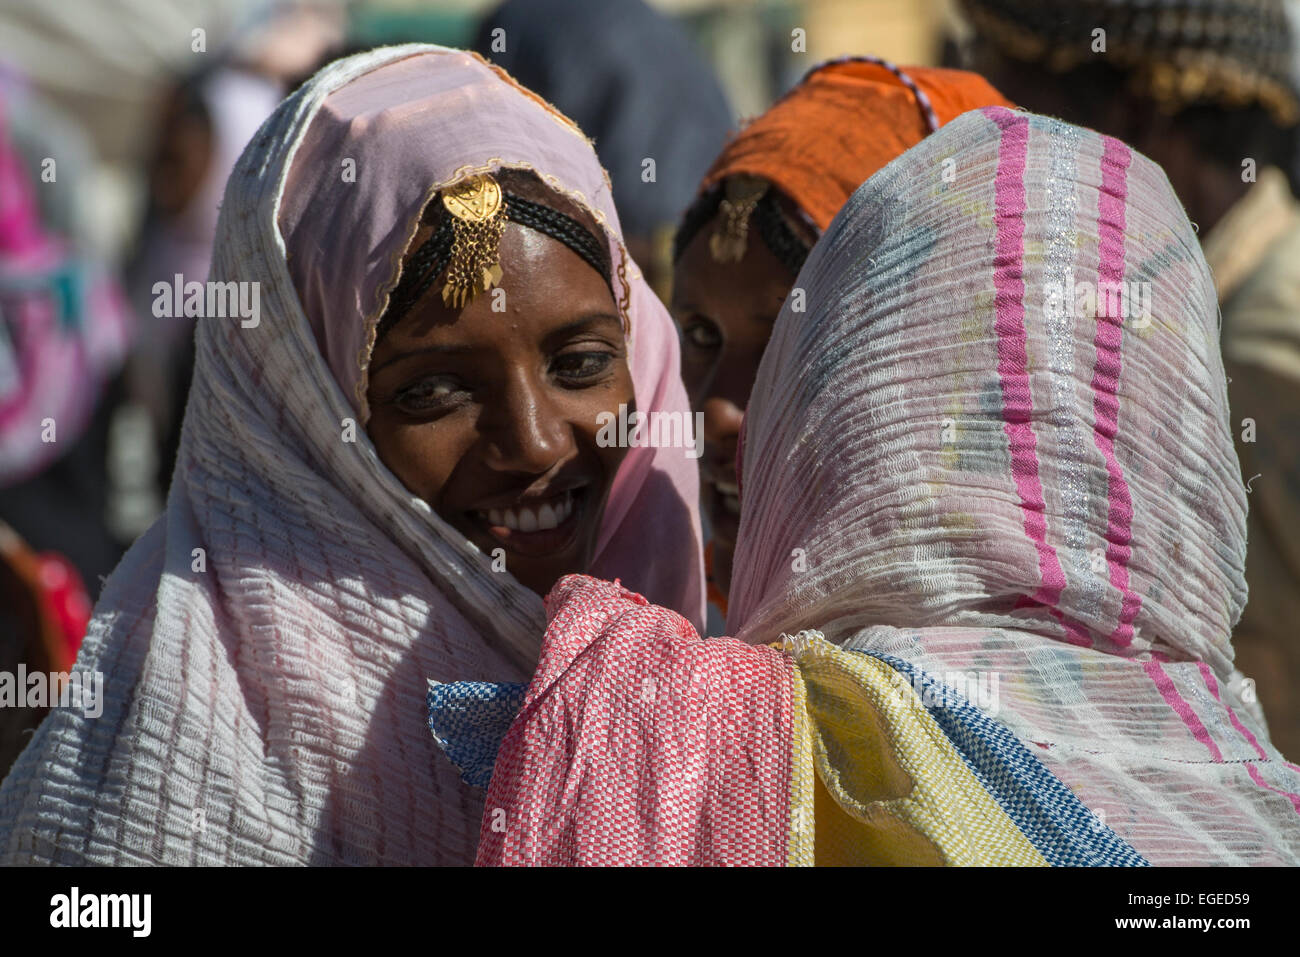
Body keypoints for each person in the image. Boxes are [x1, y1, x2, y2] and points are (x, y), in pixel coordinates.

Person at [432, 107, 1300, 866]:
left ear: (879, 380)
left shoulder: (709, 741)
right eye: (696, 335)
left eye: (786, 349)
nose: (729, 410)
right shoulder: (1254, 795)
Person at [0, 45, 703, 865]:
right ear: (303, 414)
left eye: (580, 365)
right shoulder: (176, 766)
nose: (537, 441)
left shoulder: (714, 690)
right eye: (435, 392)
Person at [959, 0, 1300, 760]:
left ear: (1134, 112)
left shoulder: (1270, 343)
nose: (1003, 152)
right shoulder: (1167, 324)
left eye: (1023, 114)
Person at [669, 57, 1013, 614]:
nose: (717, 413)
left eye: (787, 346)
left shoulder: (1003, 668)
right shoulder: (677, 628)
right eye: (700, 334)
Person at [474, 0, 733, 301]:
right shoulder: (646, 20)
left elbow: (489, 146)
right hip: (707, 240)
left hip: (628, 252)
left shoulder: (518, 19)